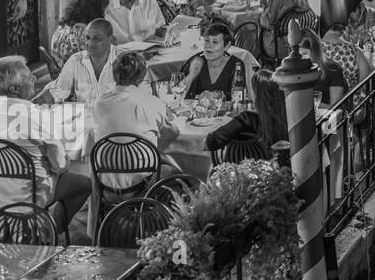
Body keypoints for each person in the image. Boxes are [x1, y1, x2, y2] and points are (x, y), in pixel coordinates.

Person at [0, 56, 92, 231]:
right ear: (15, 88)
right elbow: (60, 165)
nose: (34, 79)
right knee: (84, 184)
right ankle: (52, 231)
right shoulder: (37, 115)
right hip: (31, 196)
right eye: (29, 76)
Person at [92, 52, 180, 190]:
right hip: (141, 185)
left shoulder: (99, 103)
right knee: (177, 170)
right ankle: (161, 210)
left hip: (106, 184)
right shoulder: (149, 103)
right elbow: (172, 133)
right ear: (142, 76)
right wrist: (180, 119)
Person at [204, 67, 288, 156]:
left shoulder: (248, 118)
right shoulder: (287, 118)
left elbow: (209, 143)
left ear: (257, 94)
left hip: (248, 167)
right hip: (280, 167)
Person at [42, 18, 121, 106]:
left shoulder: (123, 61)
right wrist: (30, 106)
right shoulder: (76, 60)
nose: (90, 43)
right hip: (84, 118)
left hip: (115, 118)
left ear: (111, 40)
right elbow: (57, 90)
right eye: (87, 38)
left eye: (96, 38)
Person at [177, 22, 248, 100]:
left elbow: (240, 96)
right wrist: (191, 75)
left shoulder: (236, 64)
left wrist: (218, 95)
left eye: (215, 42)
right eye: (207, 40)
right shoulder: (196, 61)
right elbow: (178, 96)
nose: (208, 45)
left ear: (227, 46)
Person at [48, 0, 110, 68]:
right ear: (95, 11)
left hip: (62, 72)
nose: (105, 13)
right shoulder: (83, 32)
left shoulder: (63, 26)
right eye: (103, 11)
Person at [301, 28, 347, 106]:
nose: (300, 59)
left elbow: (336, 108)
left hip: (329, 115)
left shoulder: (333, 69)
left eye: (304, 54)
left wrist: (310, 103)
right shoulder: (294, 71)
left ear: (315, 51)